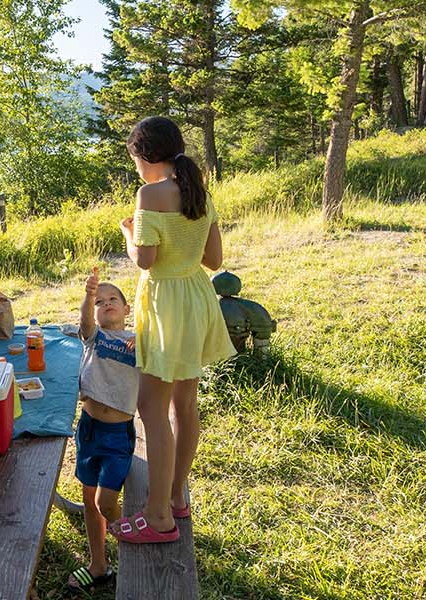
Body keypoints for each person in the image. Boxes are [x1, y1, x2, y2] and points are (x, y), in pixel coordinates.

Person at [110, 116, 235, 544]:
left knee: (152, 409)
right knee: (186, 403)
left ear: (144, 156)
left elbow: (145, 260)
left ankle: (158, 516)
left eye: (135, 161)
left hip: (165, 304)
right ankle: (177, 496)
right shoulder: (198, 192)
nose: (137, 171)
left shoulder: (150, 194)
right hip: (197, 299)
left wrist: (129, 233)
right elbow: (214, 260)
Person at [67, 267, 138, 591]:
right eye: (100, 301)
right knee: (88, 496)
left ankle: (133, 550)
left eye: (113, 299)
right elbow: (84, 321)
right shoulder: (93, 337)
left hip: (117, 436)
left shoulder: (138, 342)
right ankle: (99, 565)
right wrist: (87, 294)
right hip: (89, 429)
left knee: (106, 503)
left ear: (126, 309)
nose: (106, 303)